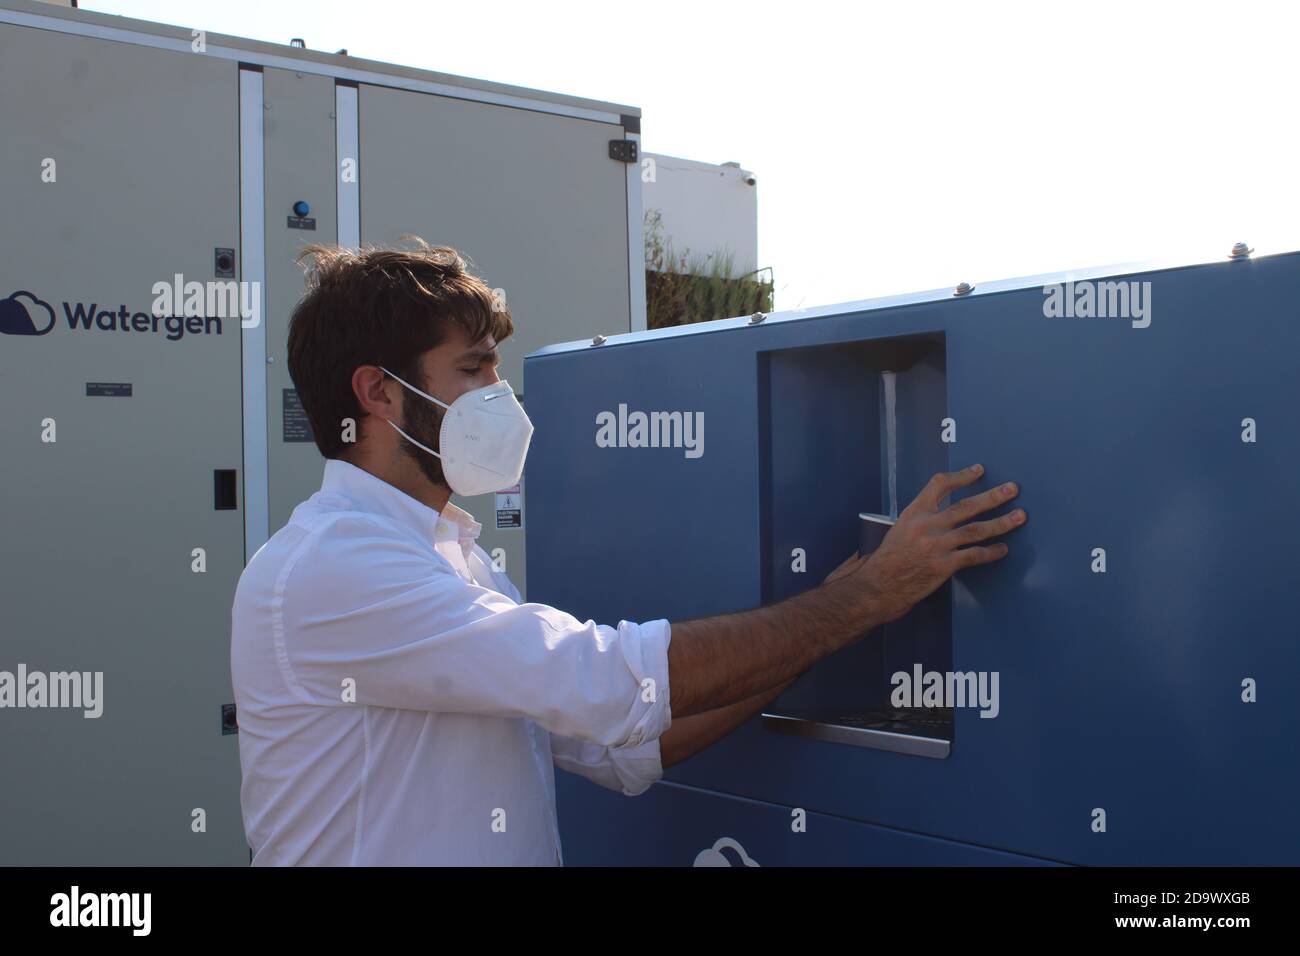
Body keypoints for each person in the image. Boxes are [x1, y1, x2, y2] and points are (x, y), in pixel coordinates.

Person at [230, 239, 1026, 865]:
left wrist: (835, 628)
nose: (499, 399)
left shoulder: (452, 558)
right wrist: (866, 598)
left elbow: (619, 745)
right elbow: (614, 682)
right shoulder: (336, 568)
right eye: (473, 370)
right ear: (378, 393)